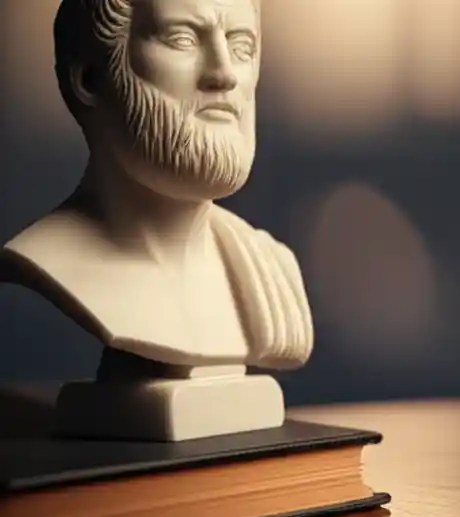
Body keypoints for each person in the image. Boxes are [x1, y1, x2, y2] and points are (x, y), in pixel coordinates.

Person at [0, 0, 311, 372]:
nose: (224, 73)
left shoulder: (271, 270)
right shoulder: (46, 262)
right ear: (89, 79)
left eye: (240, 45)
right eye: (182, 39)